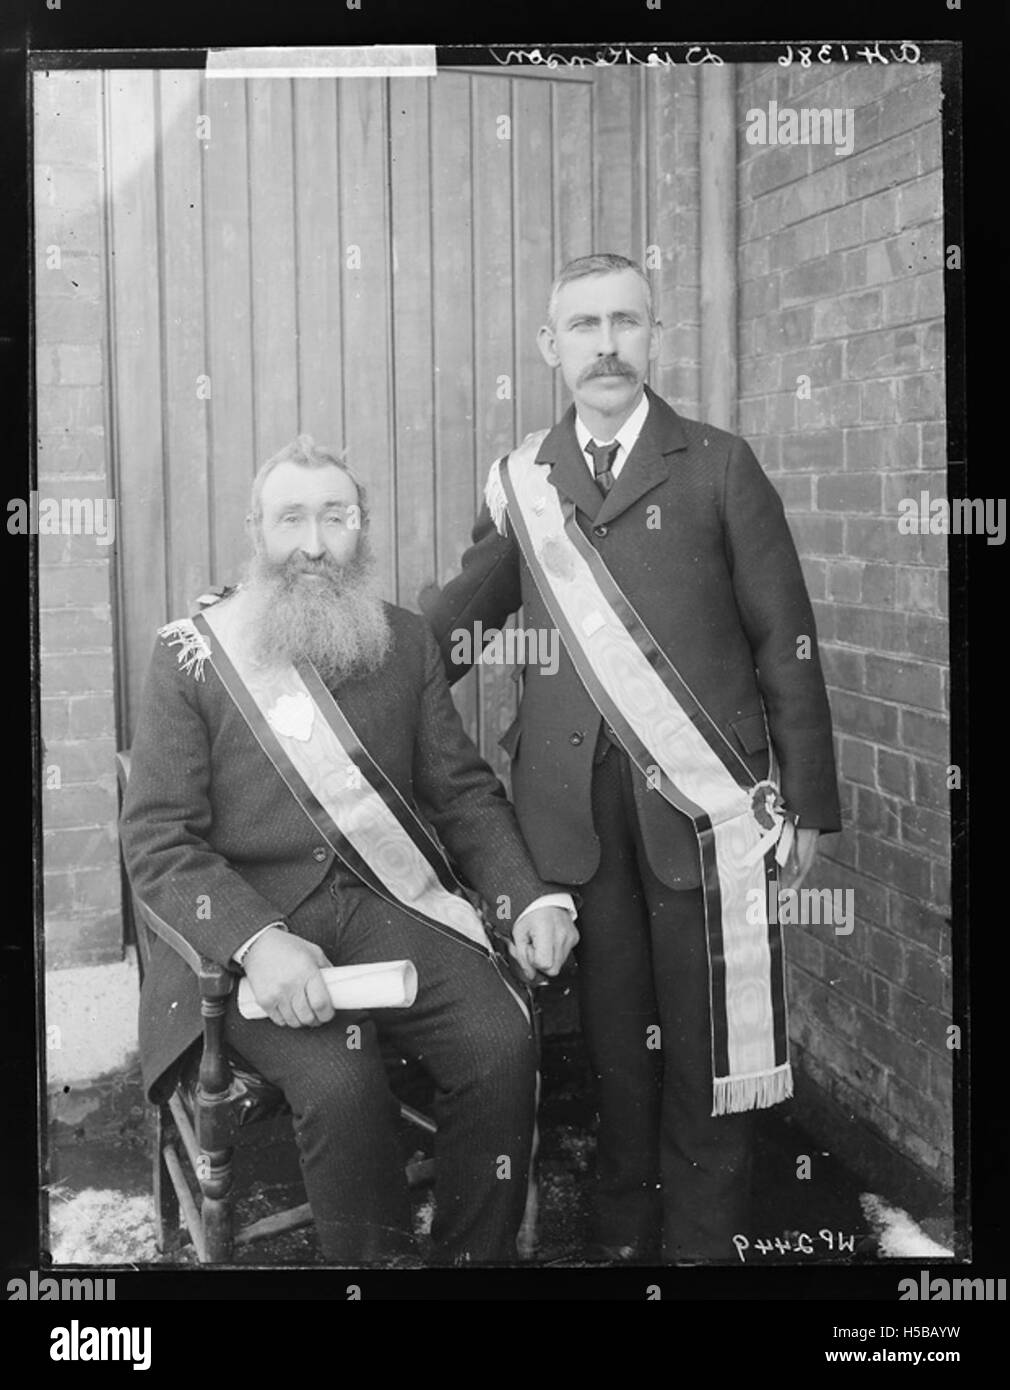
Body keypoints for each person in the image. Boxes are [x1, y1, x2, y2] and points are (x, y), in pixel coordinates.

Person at [420, 253, 841, 1264]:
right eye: (582, 326)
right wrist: (339, 660)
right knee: (614, 1057)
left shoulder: (719, 464)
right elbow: (457, 620)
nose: (604, 344)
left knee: (704, 1055)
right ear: (549, 346)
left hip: (704, 819)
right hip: (572, 821)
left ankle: (700, 1248)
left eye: (624, 322)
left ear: (652, 336)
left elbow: (785, 638)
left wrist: (811, 807)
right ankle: (620, 1242)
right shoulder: (521, 481)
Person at [120, 434, 578, 1266]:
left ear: (362, 529)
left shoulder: (403, 642)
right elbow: (157, 839)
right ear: (255, 530)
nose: (315, 543)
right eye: (291, 518)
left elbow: (463, 795)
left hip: (380, 904)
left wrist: (530, 895)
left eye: (337, 517)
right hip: (247, 934)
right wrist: (257, 942)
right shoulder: (189, 656)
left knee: (499, 1042)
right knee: (342, 1082)